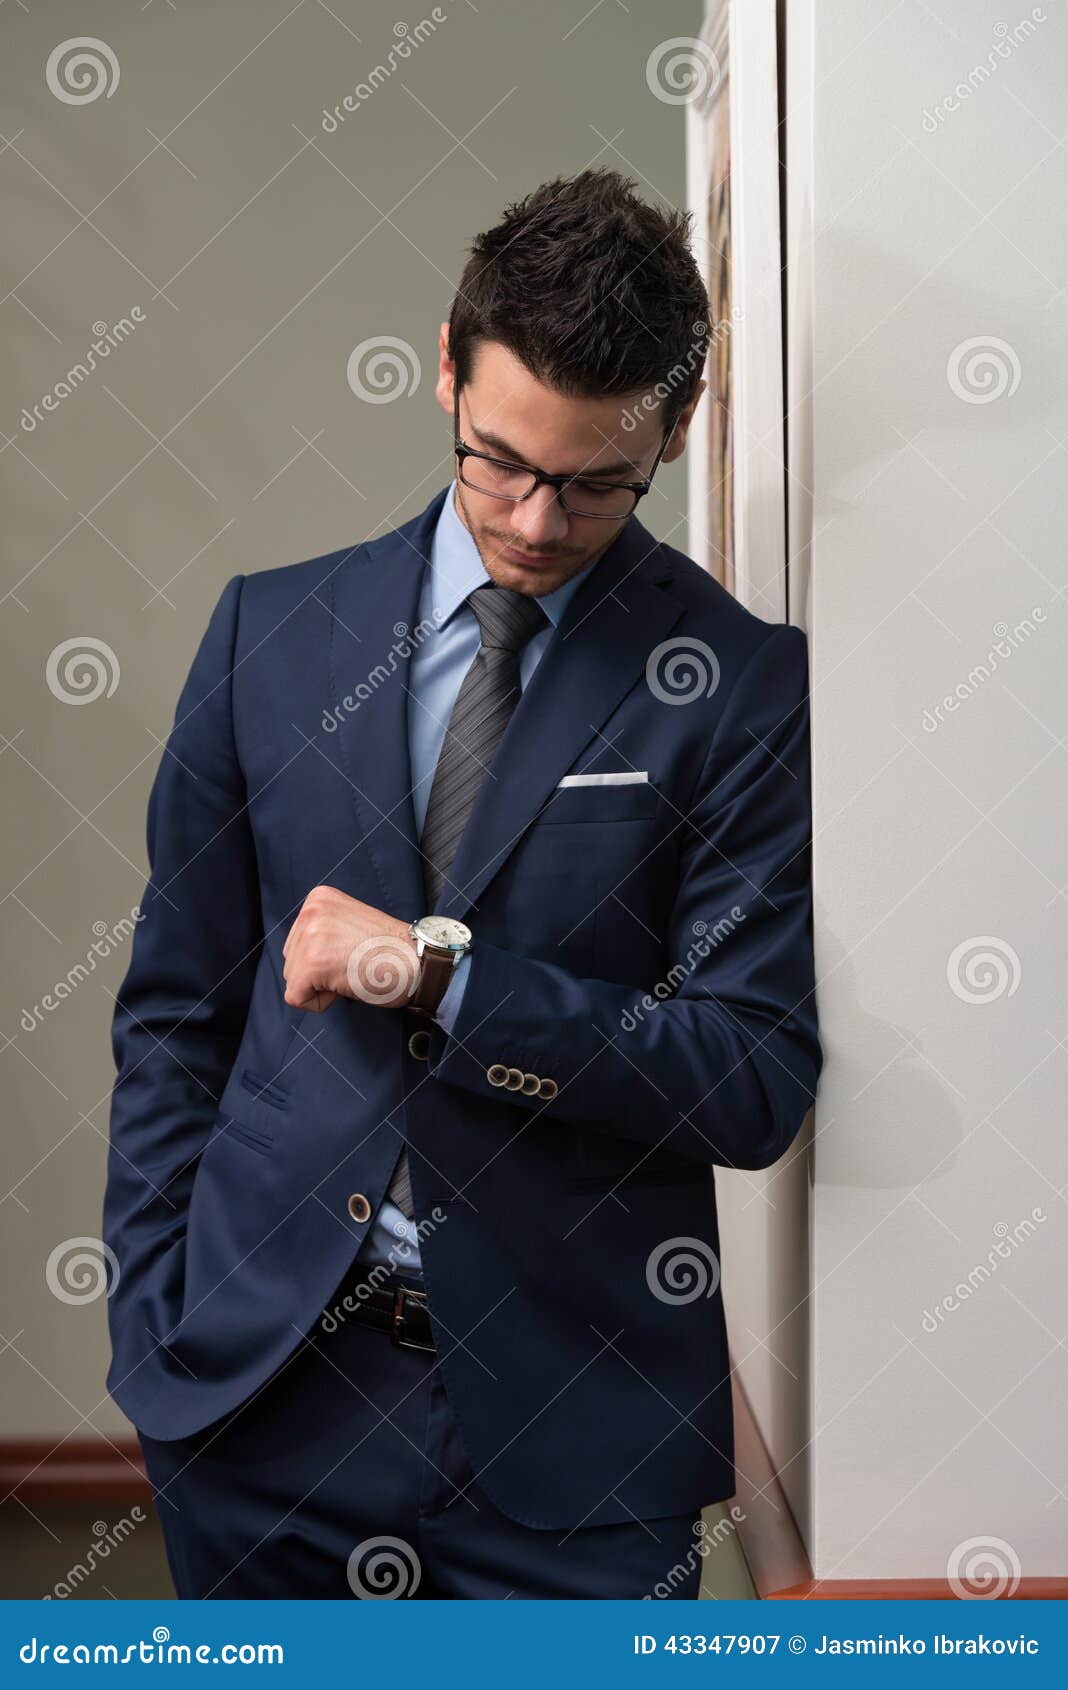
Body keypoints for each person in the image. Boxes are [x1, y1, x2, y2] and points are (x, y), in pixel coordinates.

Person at [102, 168, 822, 1599]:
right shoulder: (268, 635)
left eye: (596, 483)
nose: (539, 521)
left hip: (577, 1445)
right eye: (499, 461)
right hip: (256, 1408)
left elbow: (750, 1077)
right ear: (446, 366)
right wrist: (156, 1315)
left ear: (676, 429)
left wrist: (448, 979)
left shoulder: (739, 685)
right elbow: (176, 1011)